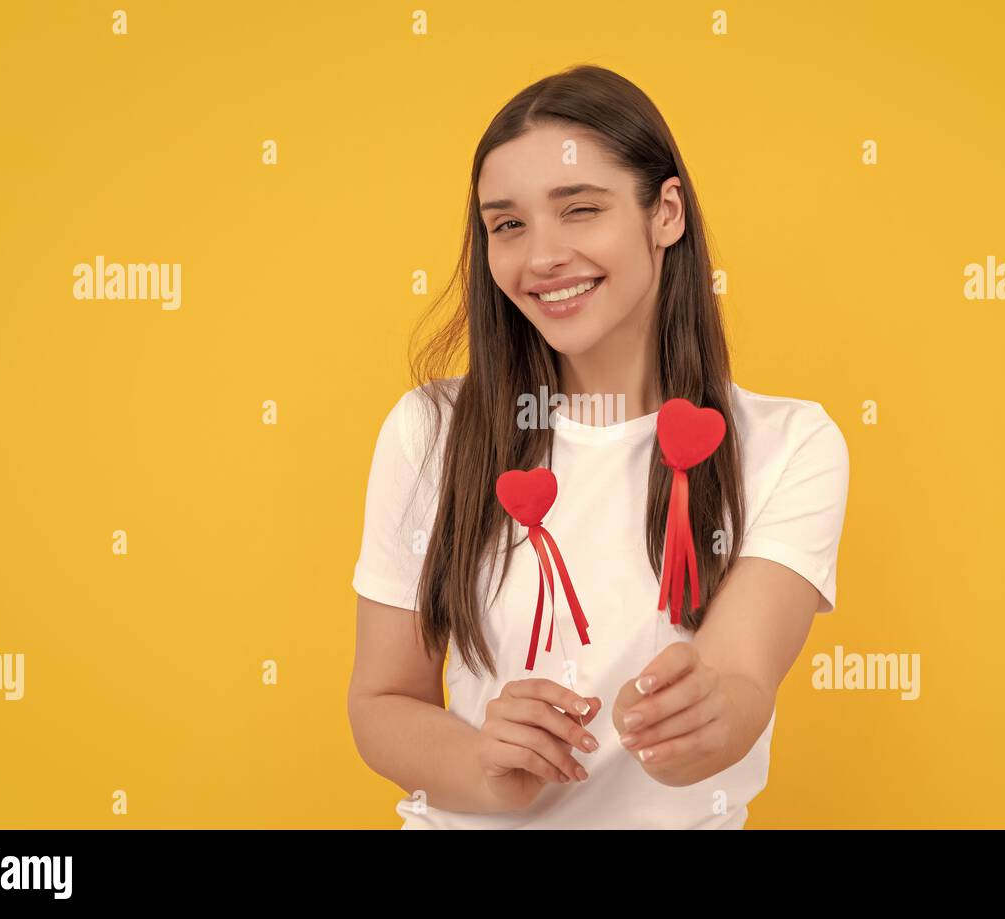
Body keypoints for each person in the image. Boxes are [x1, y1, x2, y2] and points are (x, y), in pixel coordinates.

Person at [347, 64, 849, 829]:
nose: (541, 256)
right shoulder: (430, 430)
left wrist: (704, 714)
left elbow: (743, 677)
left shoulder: (790, 445)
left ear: (666, 212)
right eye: (507, 224)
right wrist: (487, 765)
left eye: (579, 208)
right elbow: (382, 701)